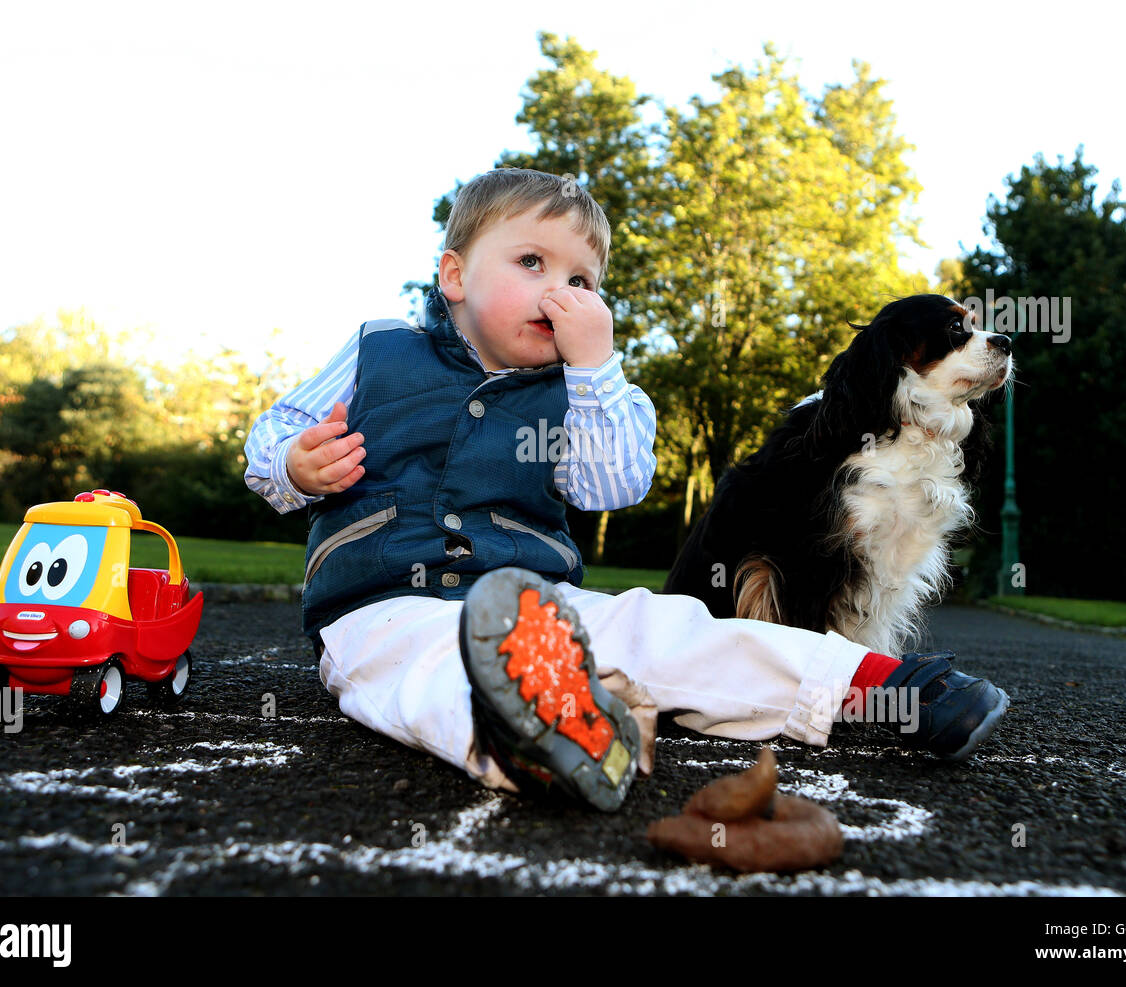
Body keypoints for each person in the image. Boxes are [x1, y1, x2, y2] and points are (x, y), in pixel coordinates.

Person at [245, 168, 1010, 811]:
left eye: (581, 280)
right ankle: (545, 731)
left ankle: (878, 683)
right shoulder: (381, 348)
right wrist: (294, 466)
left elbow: (613, 484)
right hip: (383, 605)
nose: (560, 291)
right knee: (421, 673)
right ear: (454, 277)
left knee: (657, 625)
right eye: (532, 264)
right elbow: (272, 433)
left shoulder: (587, 389)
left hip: (538, 601)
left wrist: (594, 371)